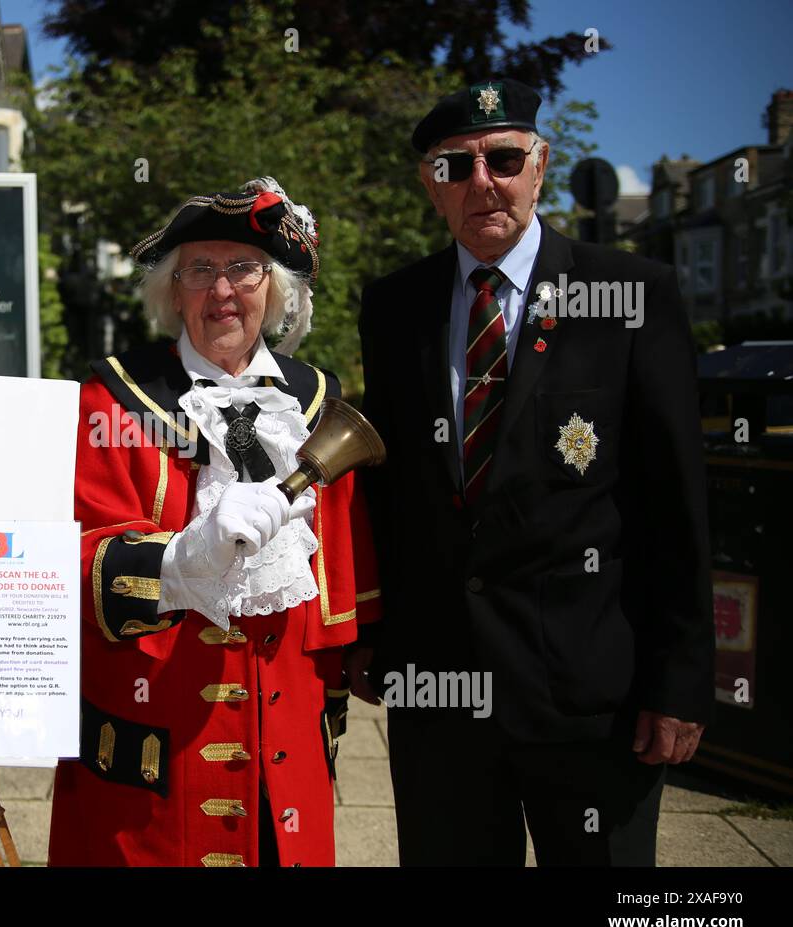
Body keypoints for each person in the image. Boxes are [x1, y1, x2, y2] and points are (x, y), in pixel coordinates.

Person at [354, 79, 713, 866]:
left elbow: (674, 501)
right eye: (455, 167)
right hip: (439, 697)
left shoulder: (630, 295)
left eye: (504, 160)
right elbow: (390, 488)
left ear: (540, 166)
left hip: (590, 698)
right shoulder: (393, 306)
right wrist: (368, 636)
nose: (483, 183)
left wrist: (679, 681)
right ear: (429, 184)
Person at [49, 178, 383, 867]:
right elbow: (66, 562)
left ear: (276, 291)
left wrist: (364, 650)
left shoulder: (316, 402)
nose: (222, 291)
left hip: (287, 737)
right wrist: (179, 561)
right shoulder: (112, 401)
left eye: (244, 270)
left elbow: (347, 567)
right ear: (173, 291)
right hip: (153, 752)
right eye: (200, 270)